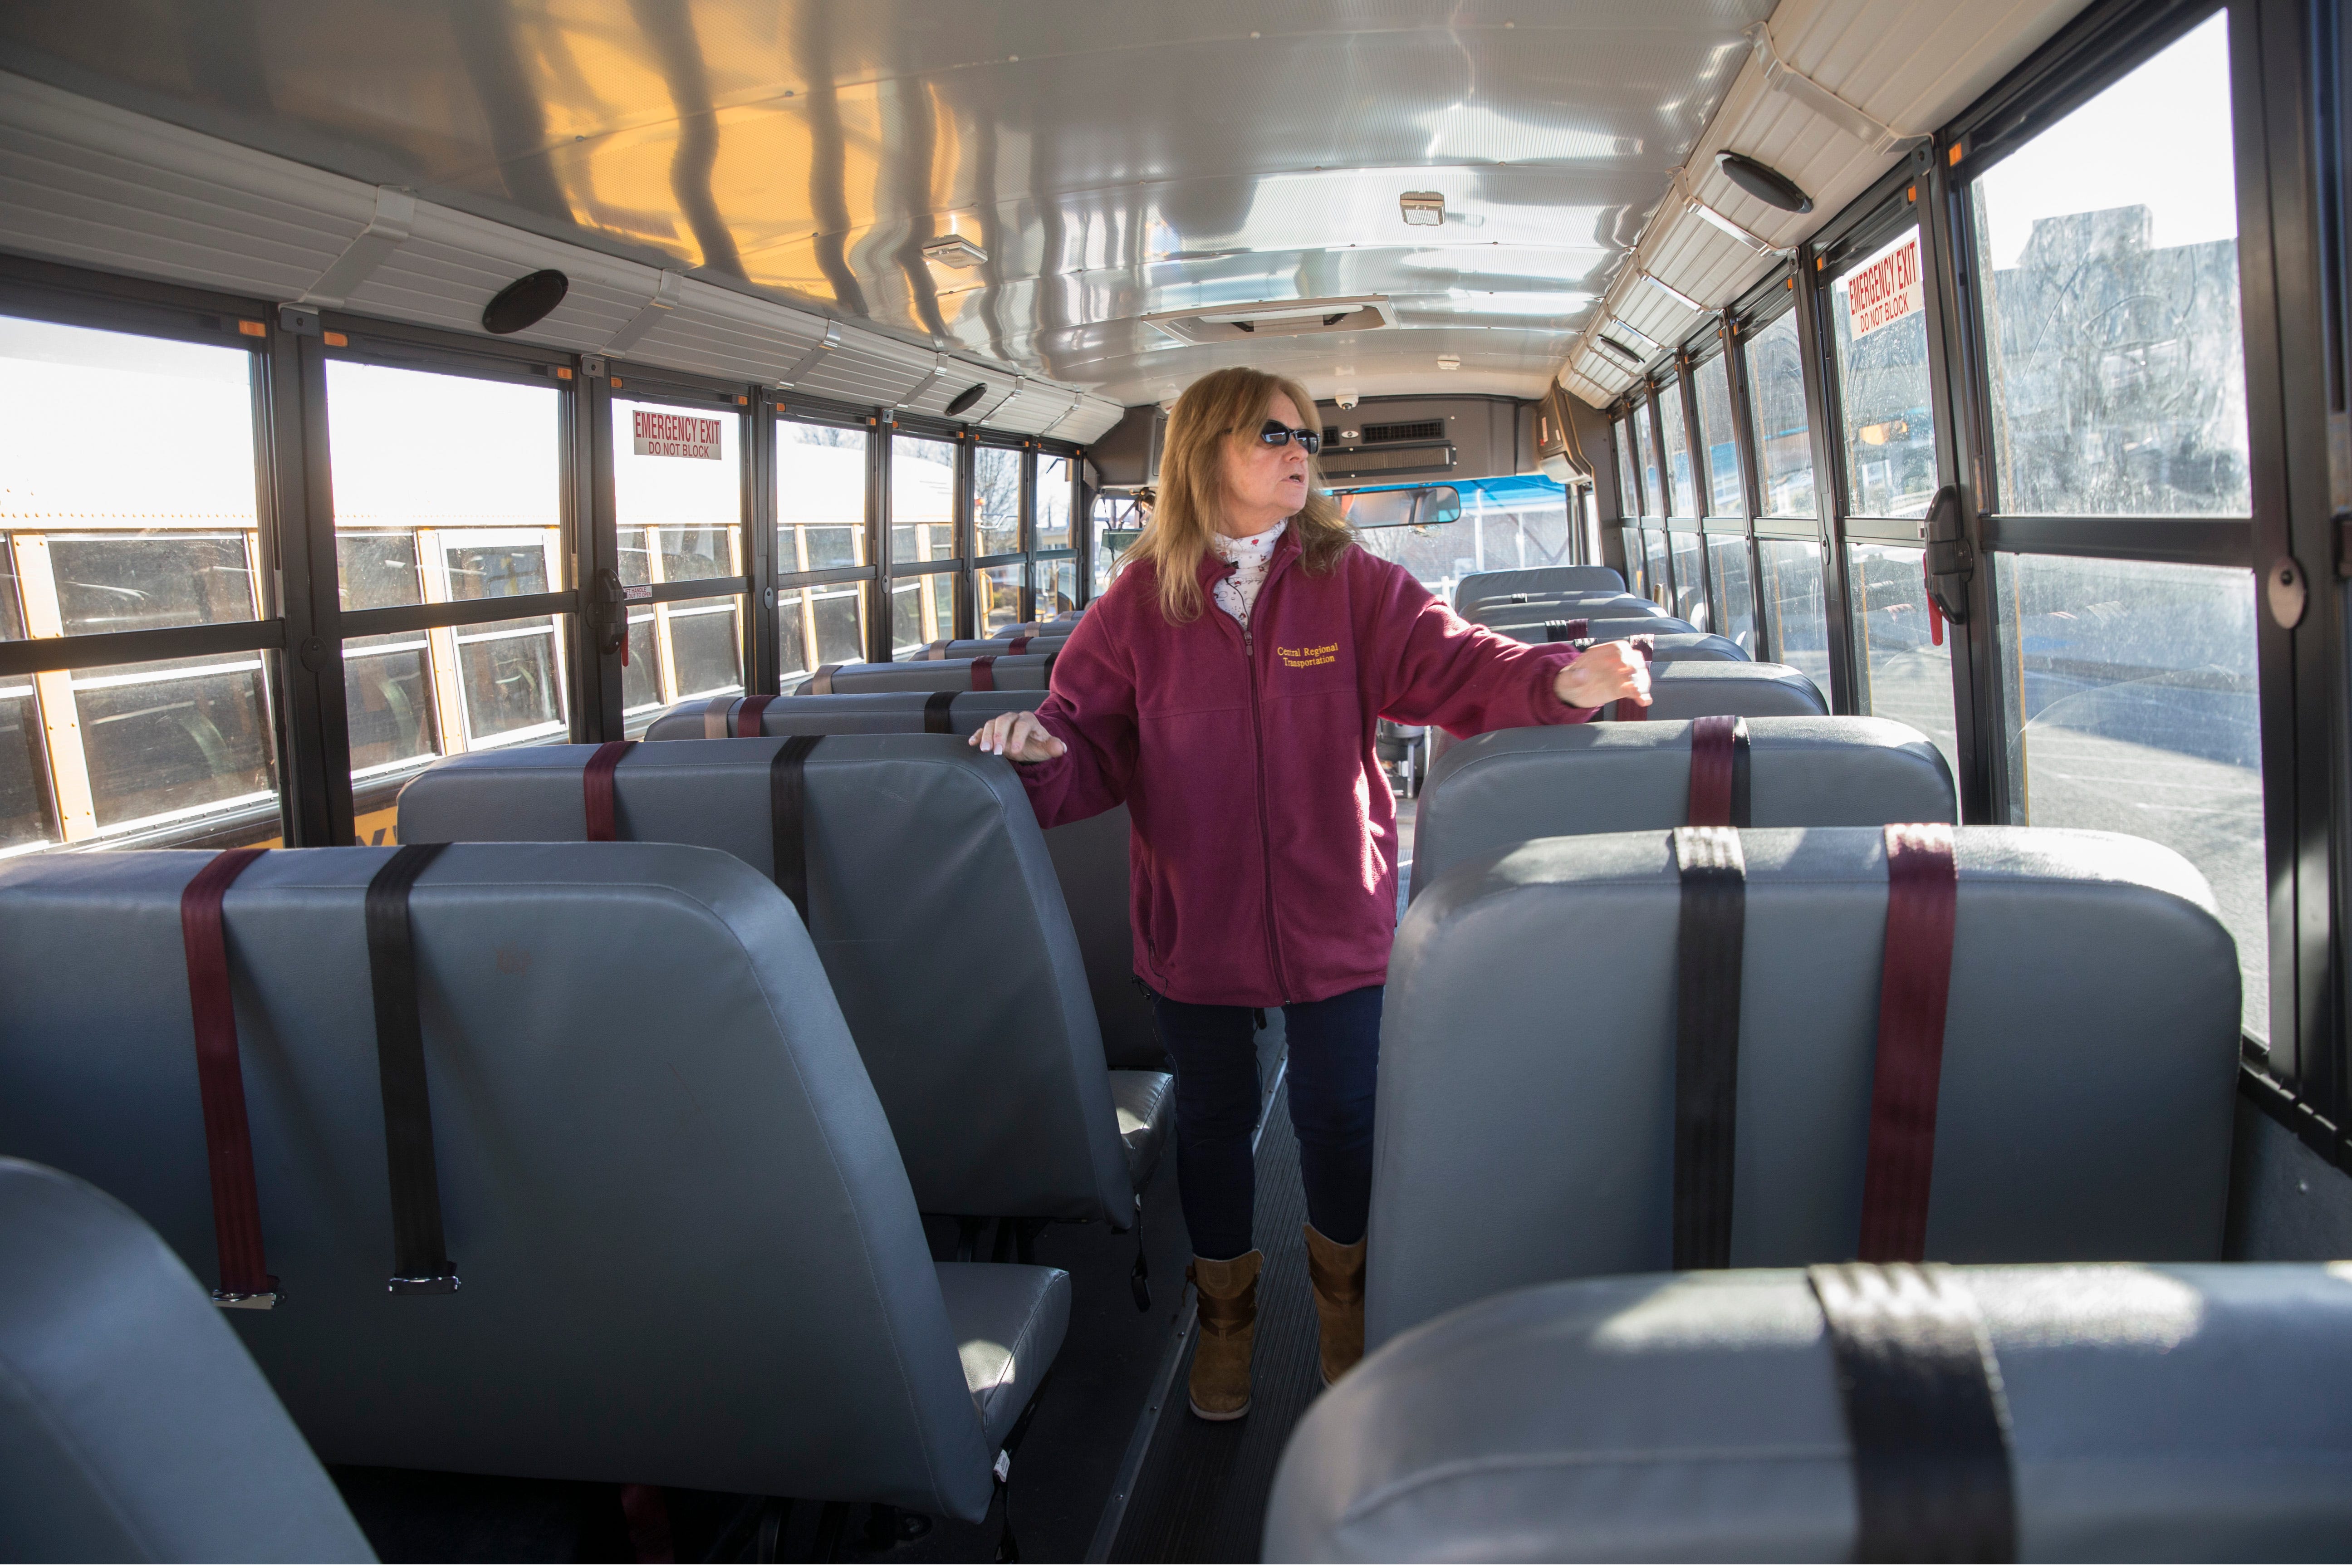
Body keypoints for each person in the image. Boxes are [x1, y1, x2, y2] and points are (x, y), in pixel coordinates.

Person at [970, 367, 1647, 1420]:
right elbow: (1087, 743)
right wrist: (1035, 754)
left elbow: (1452, 663)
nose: (1303, 451)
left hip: (1338, 907)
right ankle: (1228, 1321)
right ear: (1206, 451)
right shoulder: (1140, 606)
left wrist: (1556, 680)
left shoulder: (1351, 579)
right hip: (1198, 912)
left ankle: (1345, 1303)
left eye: (1308, 437)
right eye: (1275, 433)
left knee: (1338, 1119)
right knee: (1215, 1122)